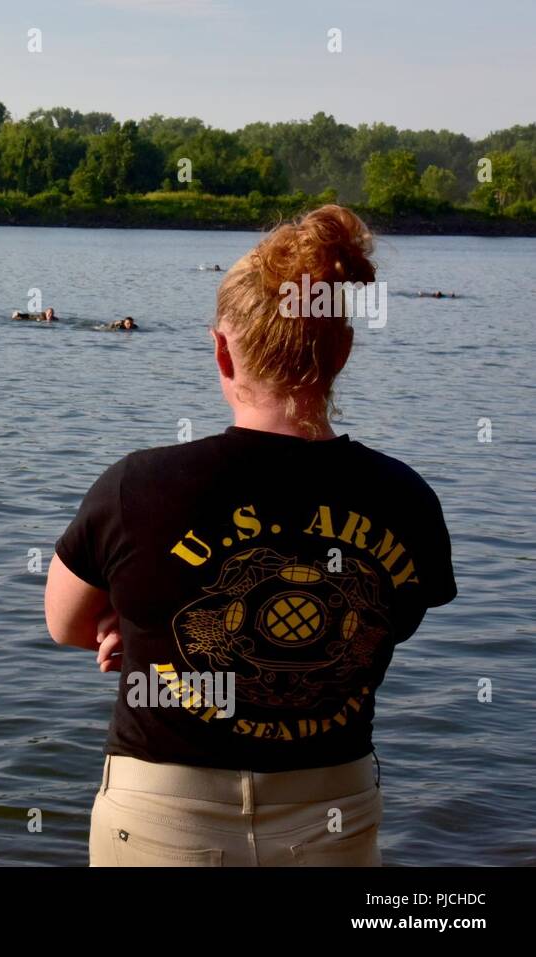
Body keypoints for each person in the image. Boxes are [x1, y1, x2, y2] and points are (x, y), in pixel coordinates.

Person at [45, 204, 456, 867]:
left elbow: (64, 624)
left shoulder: (137, 486)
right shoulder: (404, 497)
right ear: (344, 350)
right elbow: (377, 624)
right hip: (331, 817)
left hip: (161, 817)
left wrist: (142, 618)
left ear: (220, 348)